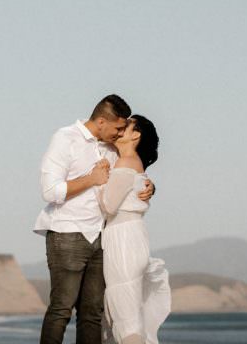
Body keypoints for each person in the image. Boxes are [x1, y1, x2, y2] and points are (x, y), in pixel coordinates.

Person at [34, 95, 156, 344]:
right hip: (68, 234)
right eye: (118, 127)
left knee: (92, 314)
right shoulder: (65, 138)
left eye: (124, 129)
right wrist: (91, 179)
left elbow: (130, 175)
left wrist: (150, 186)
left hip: (103, 239)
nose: (120, 133)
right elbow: (50, 191)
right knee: (61, 309)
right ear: (102, 122)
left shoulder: (112, 148)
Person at [98, 115, 170, 344]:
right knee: (128, 310)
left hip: (123, 239)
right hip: (131, 235)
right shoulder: (131, 162)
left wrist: (98, 179)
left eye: (124, 127)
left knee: (125, 311)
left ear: (135, 135)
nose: (118, 129)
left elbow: (108, 205)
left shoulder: (126, 162)